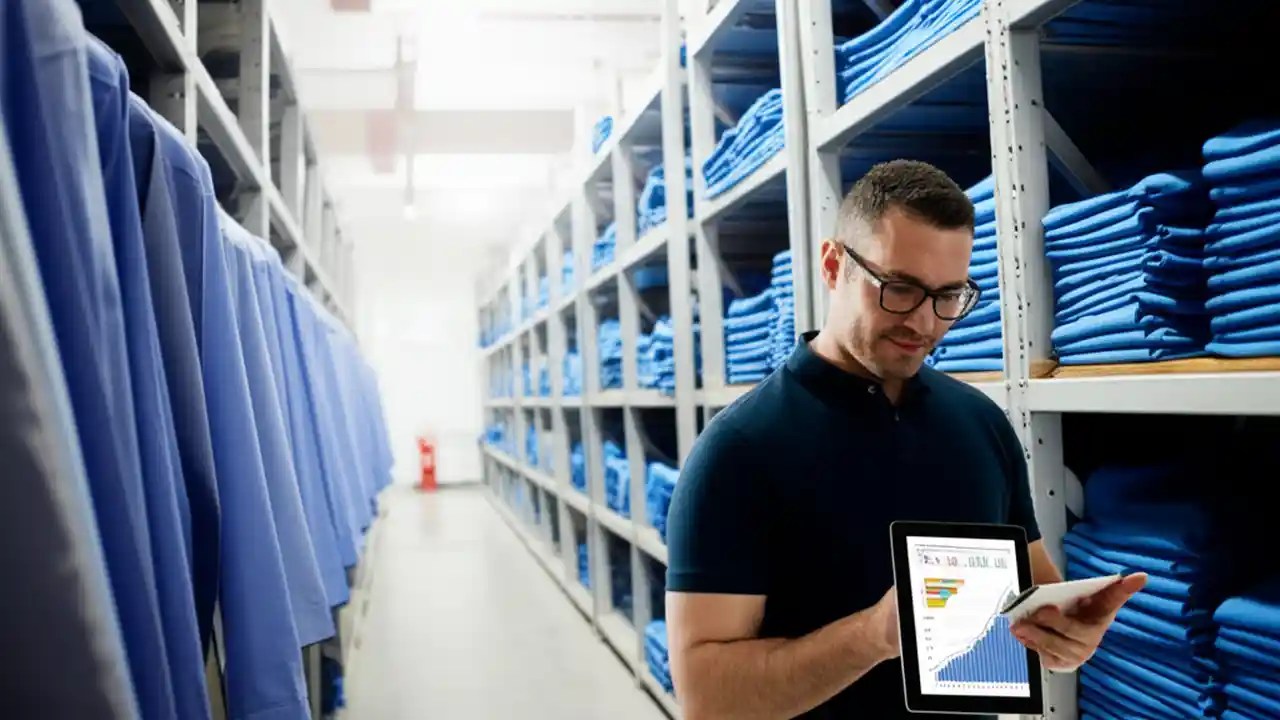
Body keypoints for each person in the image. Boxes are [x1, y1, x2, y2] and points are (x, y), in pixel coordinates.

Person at [664, 160, 1145, 719]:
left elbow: (1033, 602)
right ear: (832, 265)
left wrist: (1067, 640)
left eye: (948, 297)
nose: (923, 322)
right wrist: (873, 636)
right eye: (899, 289)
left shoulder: (981, 424)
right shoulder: (739, 450)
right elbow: (706, 698)